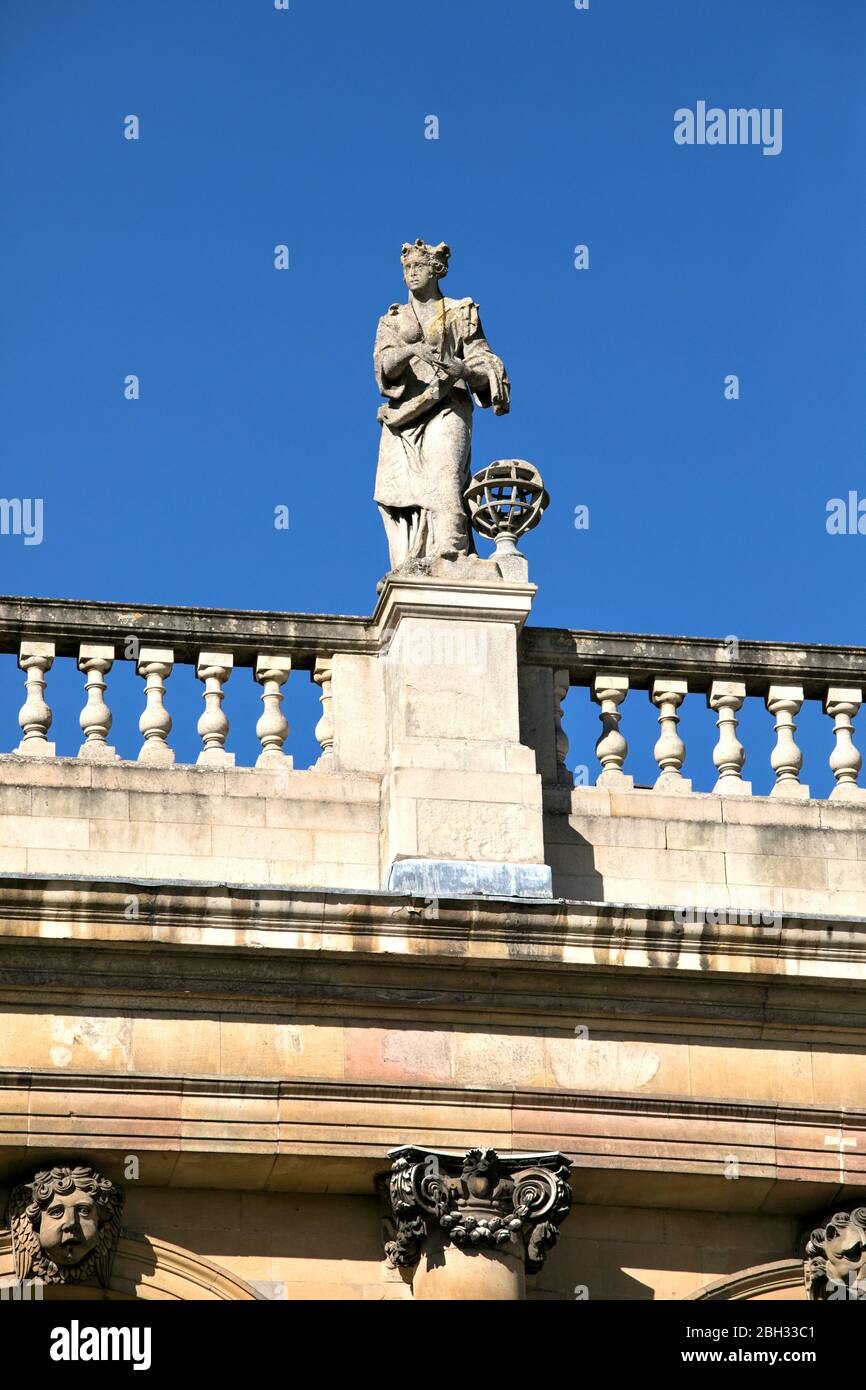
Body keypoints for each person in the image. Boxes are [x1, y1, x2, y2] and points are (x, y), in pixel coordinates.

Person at [374, 239, 510, 570]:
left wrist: (463, 370)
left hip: (448, 404)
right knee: (404, 493)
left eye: (418, 267)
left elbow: (485, 362)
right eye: (407, 268)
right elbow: (383, 366)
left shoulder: (460, 313)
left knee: (445, 472)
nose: (411, 274)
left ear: (436, 271)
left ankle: (452, 551)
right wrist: (410, 351)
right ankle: (415, 558)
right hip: (403, 417)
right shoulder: (393, 319)